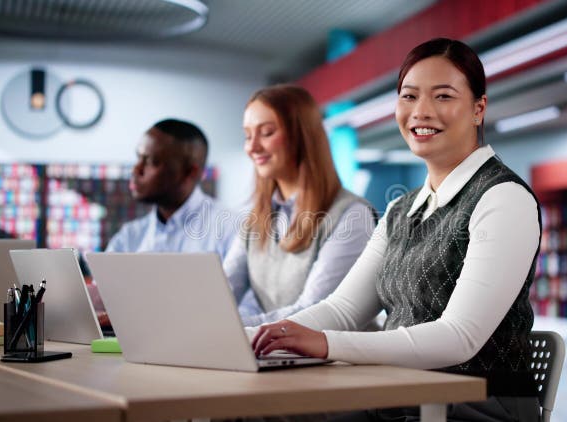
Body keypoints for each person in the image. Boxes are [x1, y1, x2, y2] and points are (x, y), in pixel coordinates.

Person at [252, 38, 542, 421]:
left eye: (442, 96)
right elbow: (343, 309)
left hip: (476, 404)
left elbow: (459, 337)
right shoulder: (400, 209)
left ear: (478, 109)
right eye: (408, 97)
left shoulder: (503, 198)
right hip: (401, 394)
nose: (421, 112)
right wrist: (257, 336)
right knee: (266, 409)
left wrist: (324, 345)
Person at [224, 84, 376, 328]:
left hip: (344, 362)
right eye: (248, 135)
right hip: (282, 354)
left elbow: (314, 312)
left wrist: (229, 327)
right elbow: (224, 290)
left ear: (301, 136)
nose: (252, 147)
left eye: (266, 132)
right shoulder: (257, 220)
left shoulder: (350, 215)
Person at [105, 118, 235, 256]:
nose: (136, 170)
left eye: (151, 161)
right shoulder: (129, 238)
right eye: (139, 158)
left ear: (190, 173)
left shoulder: (229, 232)